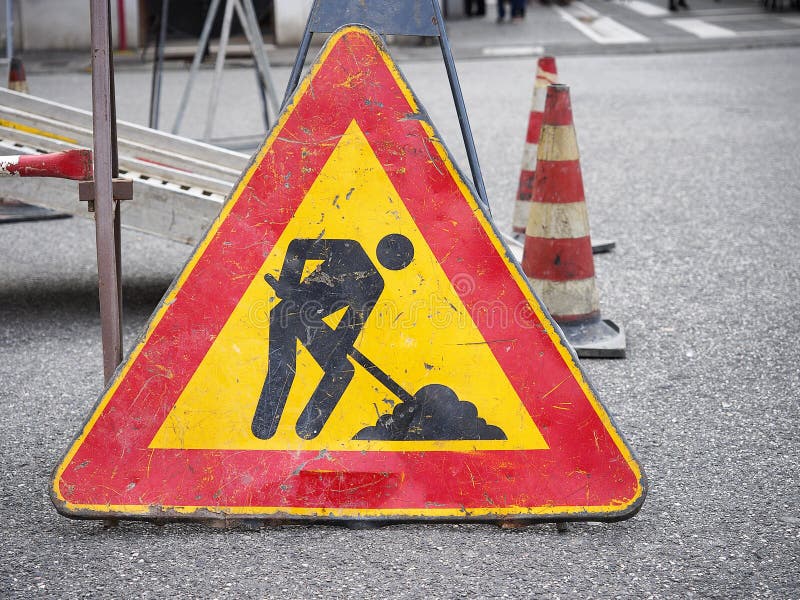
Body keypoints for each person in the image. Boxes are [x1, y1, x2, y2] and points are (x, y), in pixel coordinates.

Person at [251, 234, 414, 441]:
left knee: (341, 370)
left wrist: (338, 349)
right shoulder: (350, 248)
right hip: (288, 312)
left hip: (303, 318)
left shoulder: (375, 283)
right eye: (392, 250)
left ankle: (306, 430)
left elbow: (350, 326)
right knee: (283, 368)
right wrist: (287, 282)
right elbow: (298, 247)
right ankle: (264, 427)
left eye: (399, 256)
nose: (392, 256)